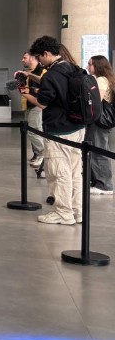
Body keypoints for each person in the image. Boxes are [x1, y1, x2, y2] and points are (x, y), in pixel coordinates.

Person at [30, 36, 84, 225]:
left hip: (58, 131)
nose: (39, 61)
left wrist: (27, 94)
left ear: (46, 54)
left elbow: (43, 104)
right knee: (75, 172)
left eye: (39, 57)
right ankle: (78, 212)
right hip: (77, 127)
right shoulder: (72, 68)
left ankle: (63, 212)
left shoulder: (52, 75)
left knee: (59, 172)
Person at [14, 51, 47, 168]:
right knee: (34, 130)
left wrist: (28, 92)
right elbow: (25, 89)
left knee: (33, 132)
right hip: (28, 104)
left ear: (33, 58)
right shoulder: (28, 73)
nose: (22, 60)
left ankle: (44, 154)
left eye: (25, 57)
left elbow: (42, 90)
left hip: (37, 105)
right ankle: (39, 155)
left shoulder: (42, 72)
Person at [88, 55, 114, 195]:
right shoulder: (104, 79)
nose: (88, 67)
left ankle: (104, 185)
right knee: (97, 149)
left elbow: (97, 100)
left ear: (97, 66)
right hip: (99, 121)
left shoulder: (101, 80)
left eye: (90, 64)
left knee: (99, 151)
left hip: (99, 121)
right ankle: (99, 181)